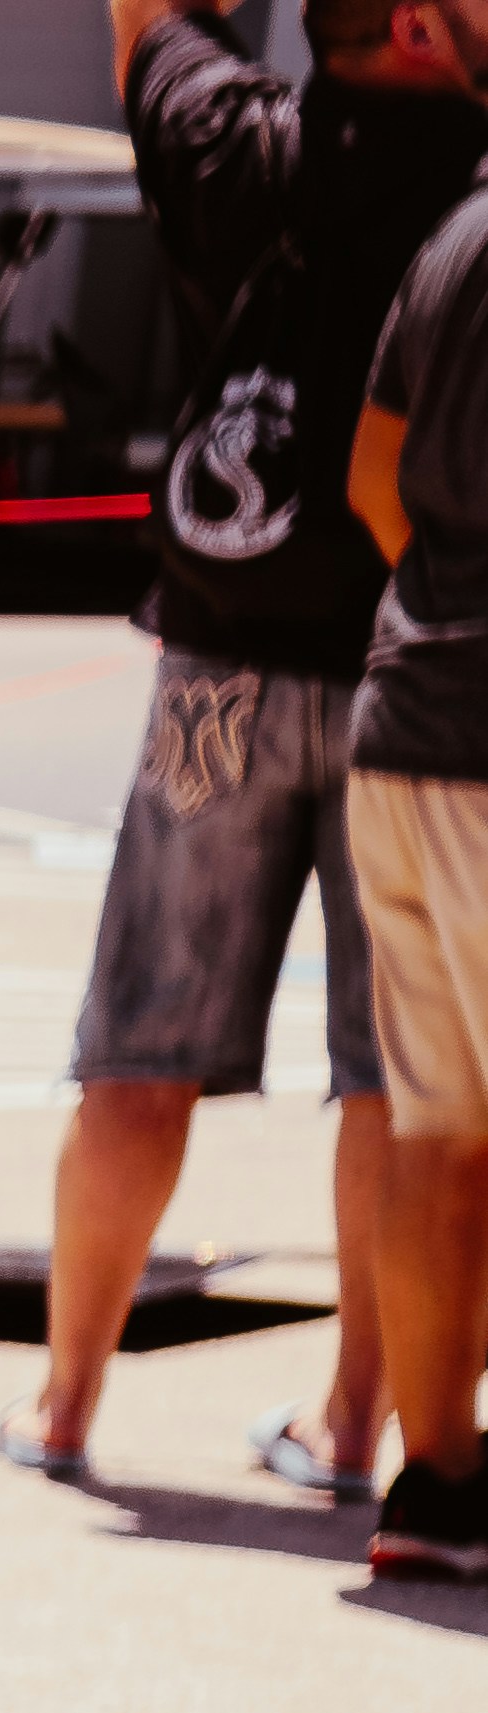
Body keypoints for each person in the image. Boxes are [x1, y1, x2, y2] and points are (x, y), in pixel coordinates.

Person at [15, 0, 475, 1482]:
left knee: (135, 1049)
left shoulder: (238, 145)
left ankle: (66, 1403)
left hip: (216, 658)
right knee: (385, 1081)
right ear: (414, 24)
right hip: (397, 680)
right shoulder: (469, 171)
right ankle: (353, 1421)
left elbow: (148, 26)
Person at [332, 169, 488, 1562]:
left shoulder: (449, 231)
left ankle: (436, 1480)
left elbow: (371, 476)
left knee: (436, 1130)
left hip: (404, 723)